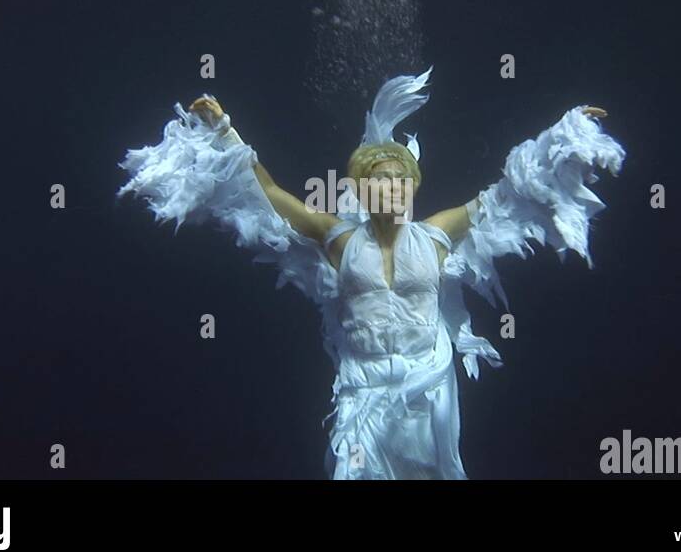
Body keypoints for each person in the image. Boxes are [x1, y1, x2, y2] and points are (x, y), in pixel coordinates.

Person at [117, 68, 625, 479]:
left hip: (427, 383)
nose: (394, 190)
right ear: (362, 191)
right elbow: (271, 197)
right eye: (382, 182)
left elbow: (504, 195)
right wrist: (226, 129)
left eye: (402, 181)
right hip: (362, 388)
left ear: (413, 188)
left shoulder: (436, 233)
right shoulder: (338, 237)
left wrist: (564, 137)